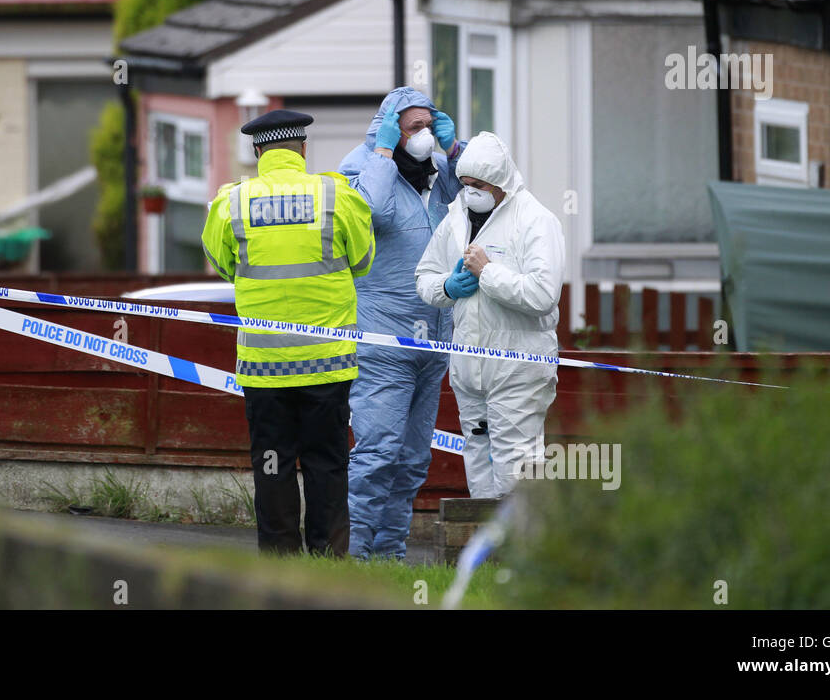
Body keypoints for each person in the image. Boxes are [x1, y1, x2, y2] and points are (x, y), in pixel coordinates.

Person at [201, 108, 375, 555]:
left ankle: (280, 570)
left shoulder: (232, 201)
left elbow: (224, 266)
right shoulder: (336, 196)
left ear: (258, 151)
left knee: (272, 467)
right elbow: (362, 261)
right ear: (302, 149)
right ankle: (329, 564)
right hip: (328, 363)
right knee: (327, 464)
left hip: (265, 367)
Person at [338, 86, 465, 560]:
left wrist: (455, 150)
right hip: (381, 342)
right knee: (376, 456)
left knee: (413, 461)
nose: (424, 137)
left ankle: (389, 557)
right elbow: (368, 210)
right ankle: (352, 556)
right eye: (415, 128)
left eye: (429, 126)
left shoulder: (435, 176)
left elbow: (485, 193)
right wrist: (383, 152)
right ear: (389, 130)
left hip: (433, 343)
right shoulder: (363, 168)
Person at [415, 131, 565, 500]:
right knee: (478, 459)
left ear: (500, 182)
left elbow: (542, 295)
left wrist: (488, 273)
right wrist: (447, 288)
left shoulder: (535, 221)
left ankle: (521, 553)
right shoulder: (456, 218)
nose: (470, 192)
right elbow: (424, 277)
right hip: (469, 369)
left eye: (479, 184)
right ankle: (485, 549)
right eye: (465, 184)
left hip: (519, 368)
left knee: (518, 465)